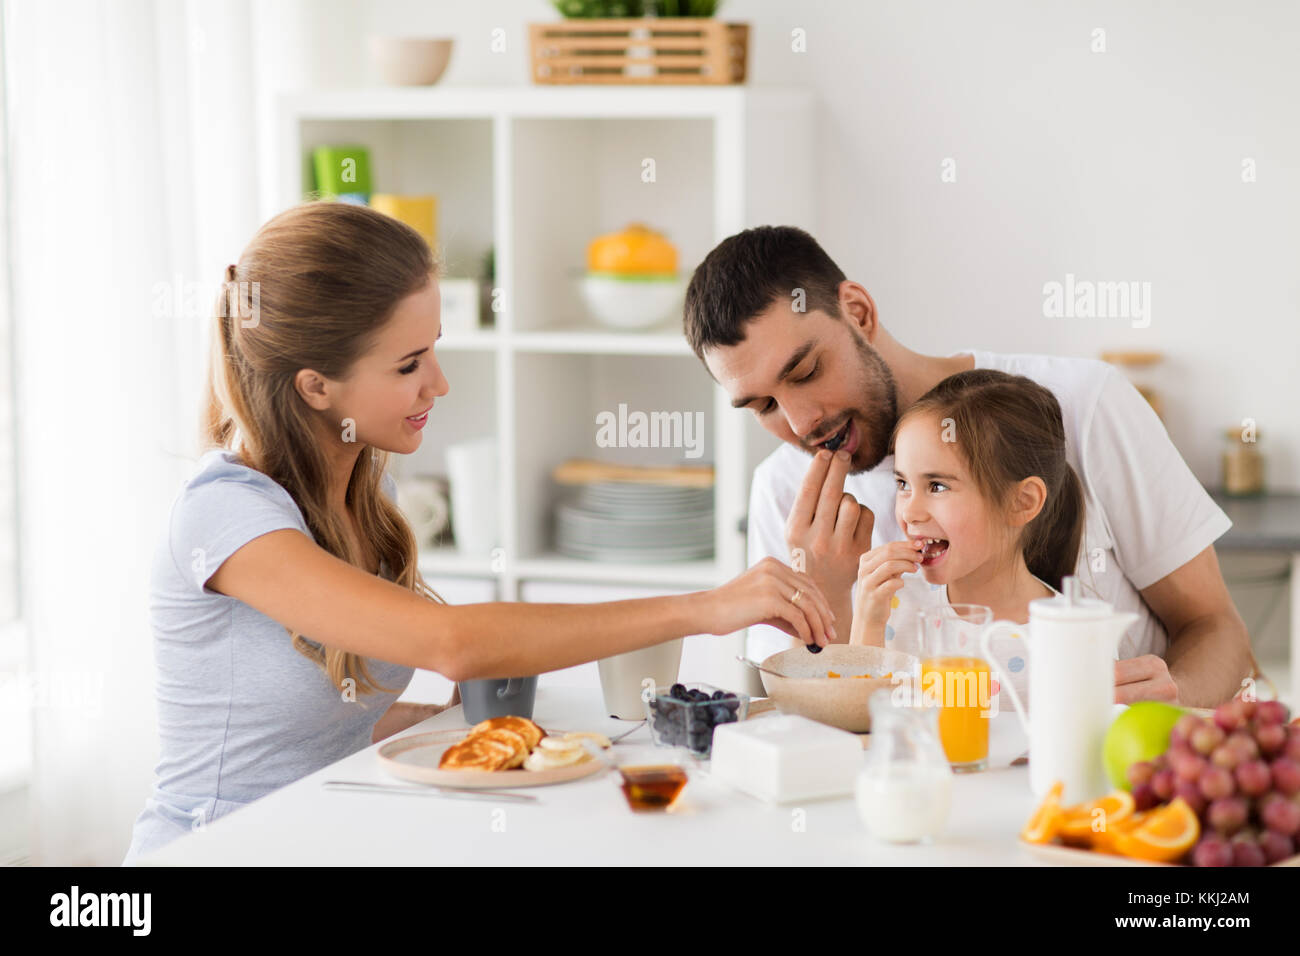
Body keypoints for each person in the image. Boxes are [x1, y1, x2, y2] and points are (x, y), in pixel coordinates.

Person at [122, 203, 833, 864]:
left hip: (324, 833)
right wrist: (704, 608)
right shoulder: (226, 516)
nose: (439, 382)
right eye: (407, 365)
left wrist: (476, 727)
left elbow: (322, 728)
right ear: (316, 388)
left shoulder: (367, 498)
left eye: (432, 347)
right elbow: (452, 644)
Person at [683, 225, 1254, 707]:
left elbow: (1218, 631)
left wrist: (1170, 695)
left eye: (806, 372)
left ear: (857, 312)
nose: (801, 422)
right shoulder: (784, 493)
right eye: (762, 405)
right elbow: (813, 728)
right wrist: (832, 601)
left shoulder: (1083, 403)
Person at [849, 369, 1083, 709]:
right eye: (903, 485)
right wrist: (868, 622)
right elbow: (860, 732)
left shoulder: (1076, 633)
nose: (910, 512)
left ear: (1023, 502)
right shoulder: (896, 606)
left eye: (937, 486)